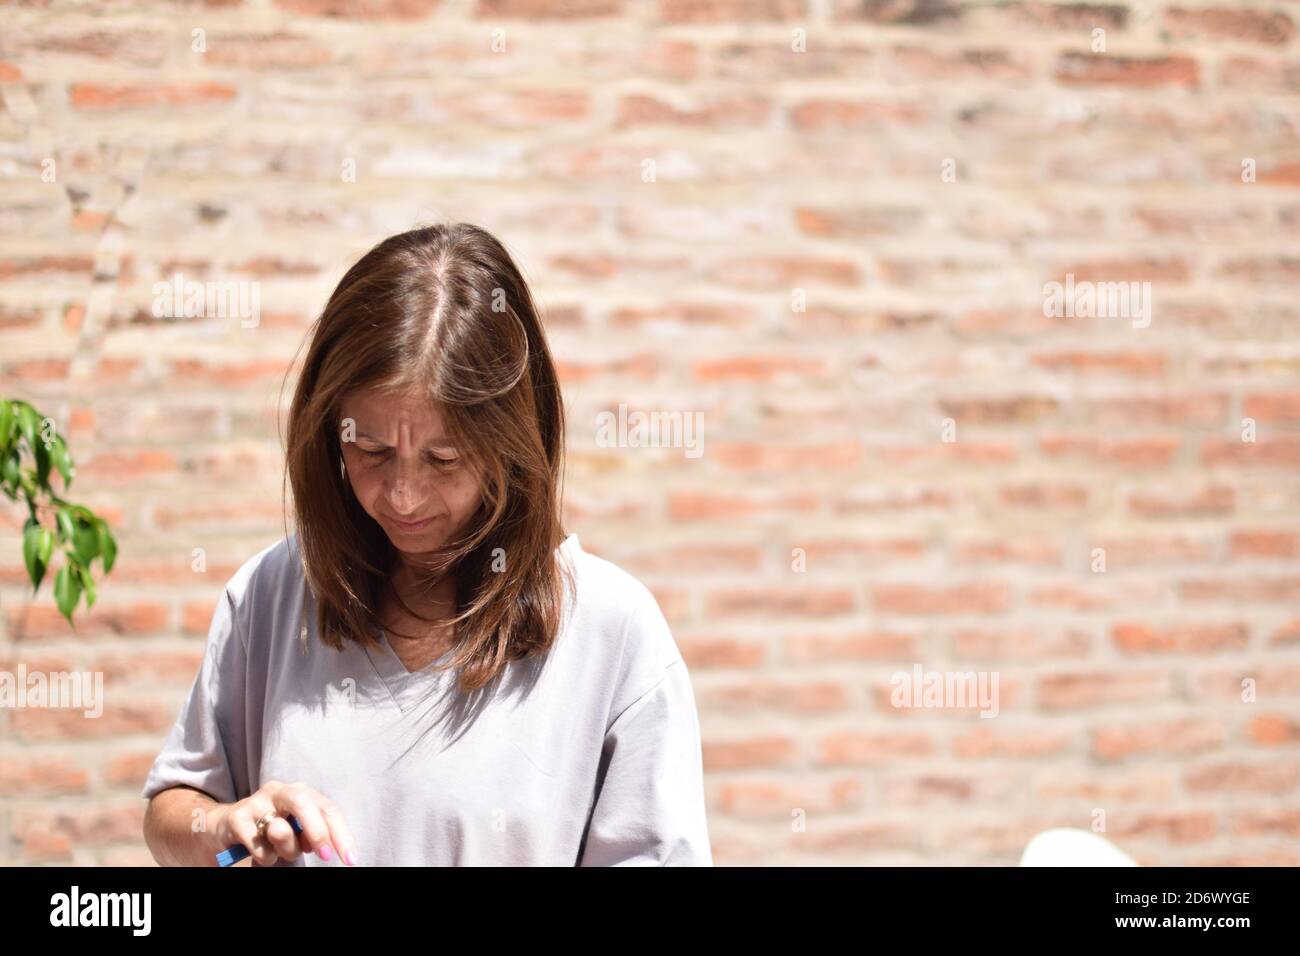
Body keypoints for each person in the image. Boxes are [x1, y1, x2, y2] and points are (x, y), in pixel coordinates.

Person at [140, 222, 712, 866]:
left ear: (514, 444)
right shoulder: (272, 596)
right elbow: (172, 809)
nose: (402, 496)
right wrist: (223, 824)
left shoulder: (612, 634)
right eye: (371, 450)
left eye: (444, 459)